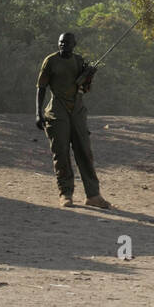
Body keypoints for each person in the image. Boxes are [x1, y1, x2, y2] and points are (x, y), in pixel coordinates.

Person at [35, 31, 111, 209]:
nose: (63, 45)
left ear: (73, 44)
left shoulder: (78, 61)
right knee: (61, 154)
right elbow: (41, 87)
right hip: (56, 112)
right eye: (61, 42)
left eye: (67, 43)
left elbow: (84, 88)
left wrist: (89, 75)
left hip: (77, 111)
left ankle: (93, 195)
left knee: (85, 152)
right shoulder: (50, 61)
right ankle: (65, 194)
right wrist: (38, 113)